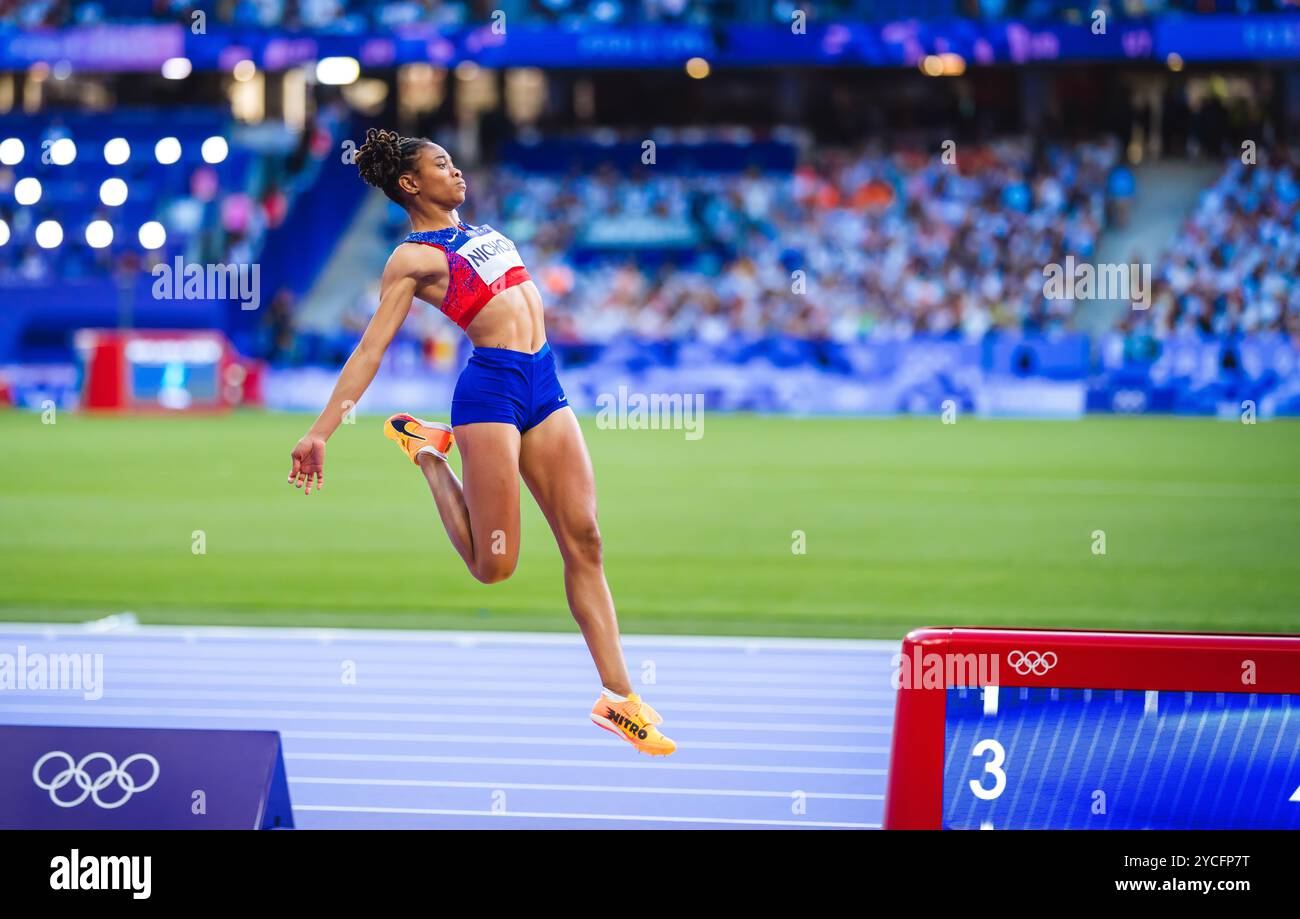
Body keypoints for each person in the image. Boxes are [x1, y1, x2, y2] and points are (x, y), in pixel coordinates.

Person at [286, 128, 674, 756]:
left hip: (543, 381)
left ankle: (619, 701)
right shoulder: (411, 259)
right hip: (490, 393)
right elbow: (370, 350)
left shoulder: (484, 233)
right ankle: (431, 456)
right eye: (442, 164)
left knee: (587, 538)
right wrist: (320, 431)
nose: (457, 170)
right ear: (411, 184)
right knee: (495, 566)